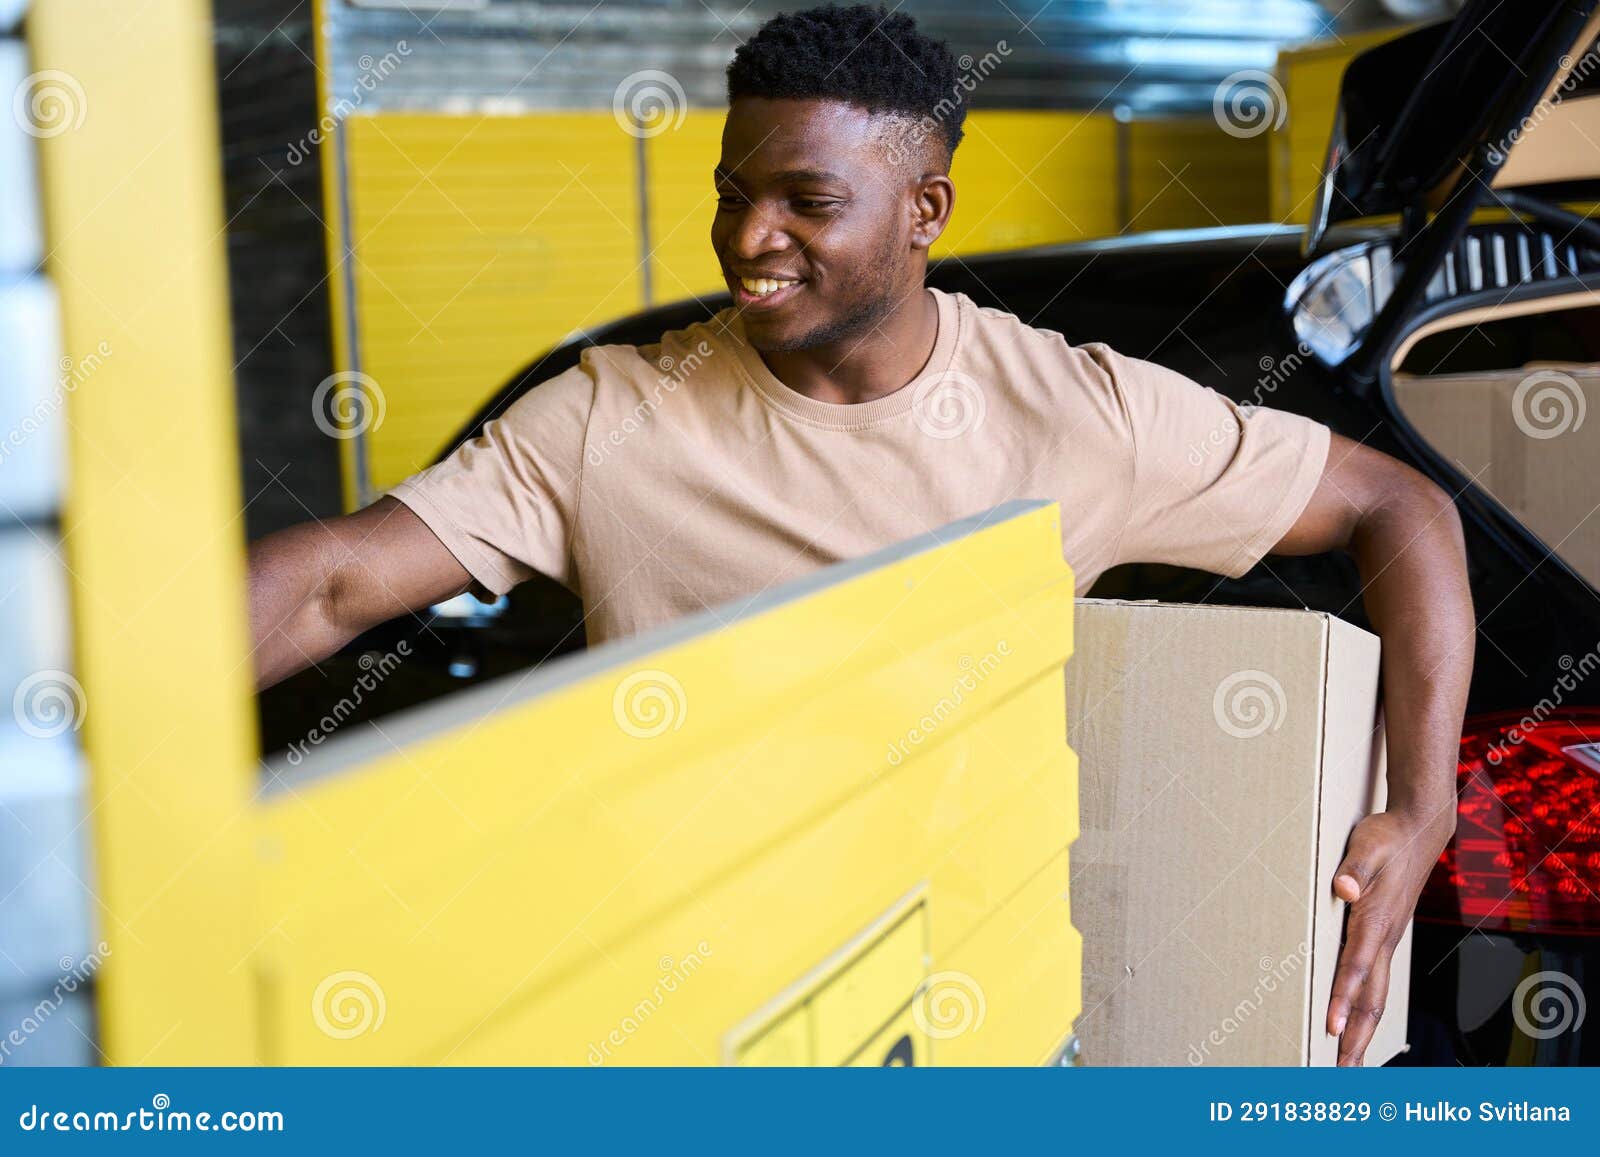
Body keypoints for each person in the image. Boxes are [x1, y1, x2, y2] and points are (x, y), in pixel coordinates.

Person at [248, 4, 1471, 1066]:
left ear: (924, 208)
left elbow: (1397, 506)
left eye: (807, 202)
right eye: (733, 192)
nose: (746, 237)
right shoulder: (608, 419)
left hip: (979, 1018)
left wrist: (1422, 809)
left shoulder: (1081, 416)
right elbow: (337, 584)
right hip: (692, 1029)